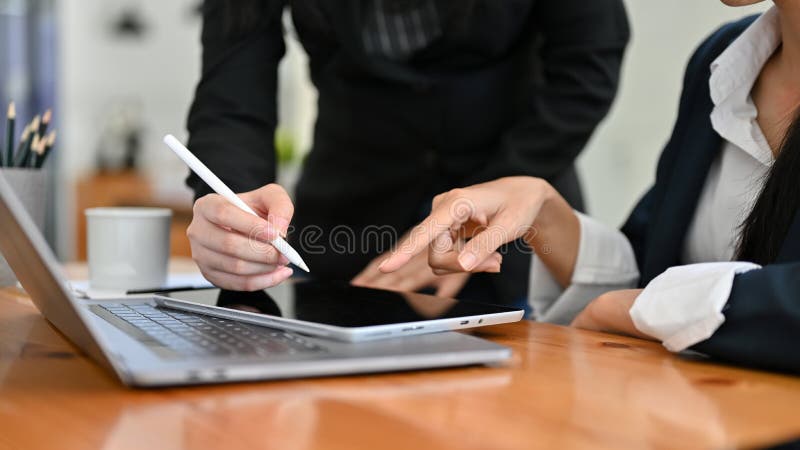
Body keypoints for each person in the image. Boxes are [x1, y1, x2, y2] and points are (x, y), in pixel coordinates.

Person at [379, 0, 800, 373]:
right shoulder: (722, 62)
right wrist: (542, 213)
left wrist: (646, 309)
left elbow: (651, 304)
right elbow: (655, 276)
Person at [183, 0, 630, 308]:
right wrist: (232, 208)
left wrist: (476, 217)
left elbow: (586, 69)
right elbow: (232, 100)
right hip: (346, 228)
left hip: (510, 242)